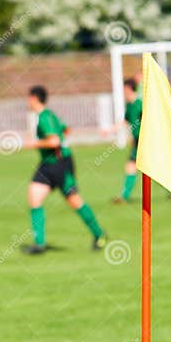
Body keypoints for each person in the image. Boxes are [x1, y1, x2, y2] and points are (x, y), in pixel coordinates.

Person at [23, 85, 107, 255]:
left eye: (28, 98)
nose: (27, 102)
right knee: (34, 197)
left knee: (74, 200)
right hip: (47, 164)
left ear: (33, 98)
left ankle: (100, 234)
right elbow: (66, 130)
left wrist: (35, 143)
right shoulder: (48, 115)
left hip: (60, 165)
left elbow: (54, 142)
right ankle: (39, 244)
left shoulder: (45, 118)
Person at [111, 78, 142, 204]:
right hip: (137, 140)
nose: (123, 92)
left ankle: (124, 196)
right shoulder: (129, 104)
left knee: (149, 168)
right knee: (131, 166)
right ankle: (124, 196)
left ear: (129, 89)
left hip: (144, 140)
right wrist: (111, 129)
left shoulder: (140, 103)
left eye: (124, 89)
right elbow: (126, 120)